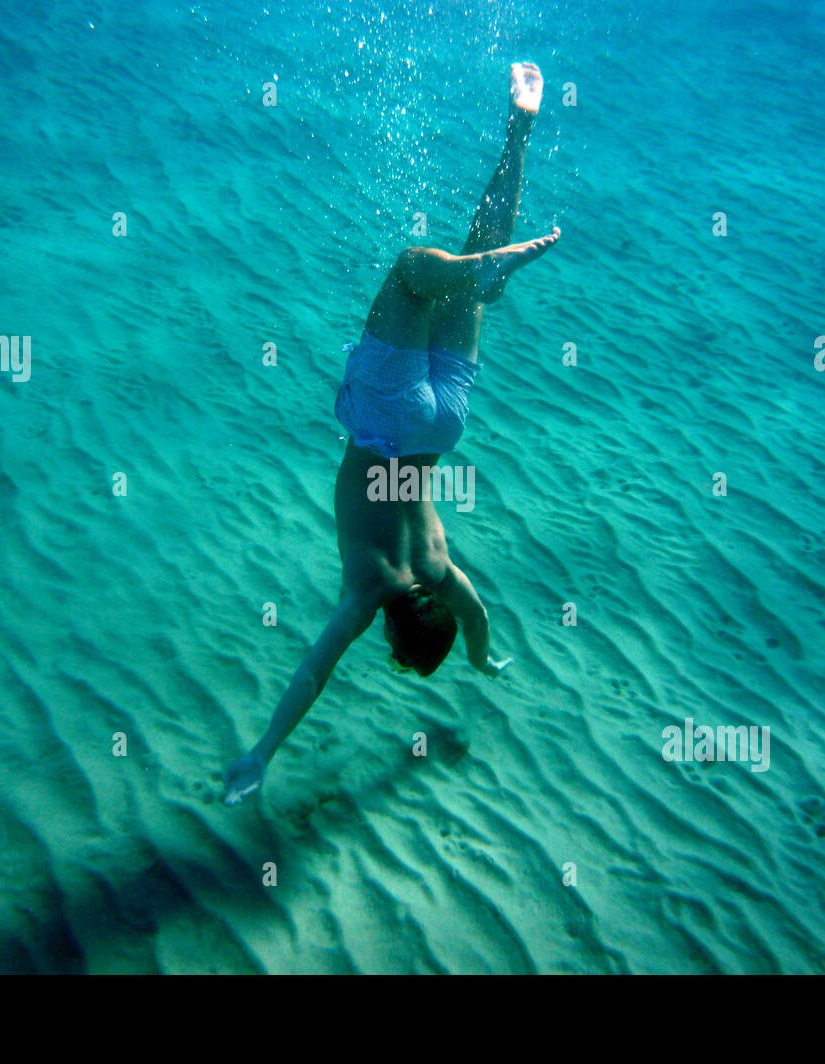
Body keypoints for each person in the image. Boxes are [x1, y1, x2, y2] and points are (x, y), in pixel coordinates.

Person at [223, 62, 559, 806]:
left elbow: (476, 615)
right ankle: (487, 271)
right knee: (412, 273)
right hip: (387, 421)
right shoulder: (369, 588)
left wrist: (485, 657)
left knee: (462, 264)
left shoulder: (440, 568)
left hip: (443, 425)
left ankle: (521, 127)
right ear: (391, 635)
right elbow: (313, 672)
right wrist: (260, 755)